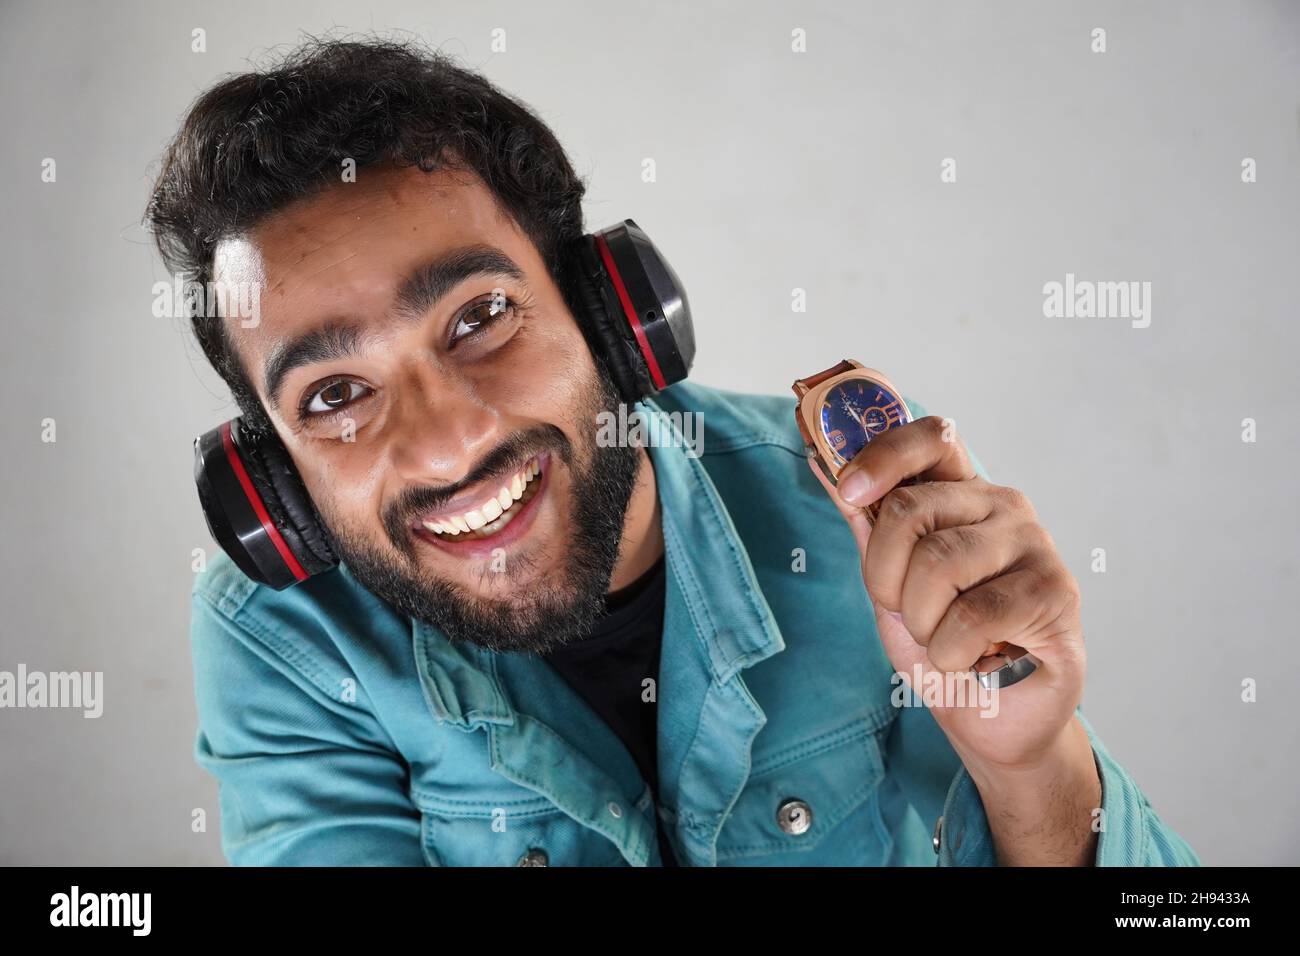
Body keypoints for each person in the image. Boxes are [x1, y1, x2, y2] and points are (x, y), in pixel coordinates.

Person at [148, 36, 1199, 866]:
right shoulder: (287, 643)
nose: (447, 440)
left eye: (478, 319)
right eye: (333, 394)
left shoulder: (862, 508)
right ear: (272, 484)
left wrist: (1031, 764)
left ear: (613, 314)